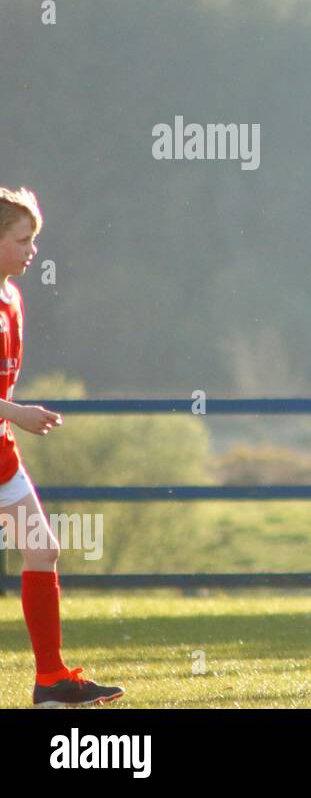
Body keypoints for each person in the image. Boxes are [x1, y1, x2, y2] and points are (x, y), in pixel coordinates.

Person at [0, 187, 124, 706]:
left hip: (1, 454)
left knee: (43, 549)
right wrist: (17, 413)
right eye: (22, 239)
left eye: (35, 240)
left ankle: (50, 680)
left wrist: (13, 415)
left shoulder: (12, 297)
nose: (32, 250)